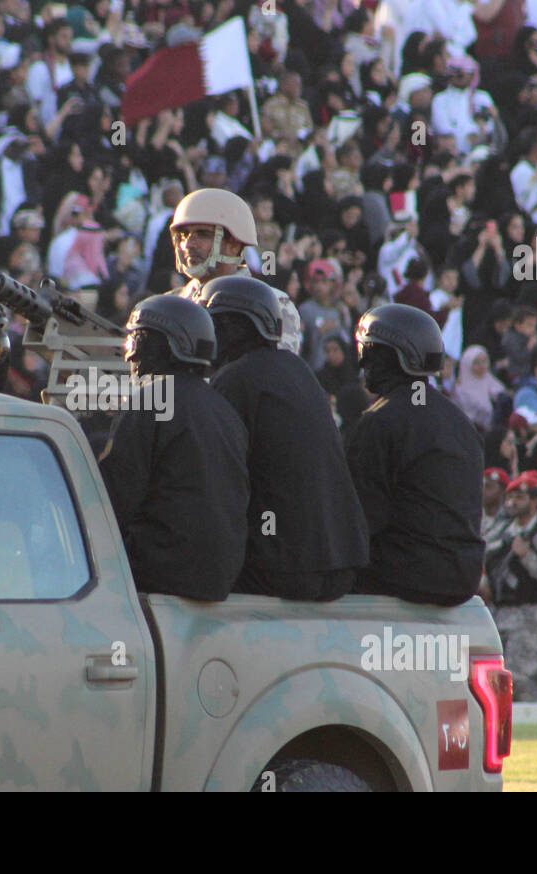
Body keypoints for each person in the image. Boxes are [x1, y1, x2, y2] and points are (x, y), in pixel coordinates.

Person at [202, 275, 369, 601]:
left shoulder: (234, 380)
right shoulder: (298, 369)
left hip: (286, 569)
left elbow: (216, 483)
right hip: (343, 566)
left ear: (233, 327)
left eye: (214, 326)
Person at [95, 294, 249, 601]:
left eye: (136, 340)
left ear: (166, 344)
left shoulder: (152, 398)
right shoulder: (222, 407)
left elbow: (112, 500)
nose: (129, 355)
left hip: (162, 573)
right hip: (219, 578)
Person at [345, 303, 484, 605]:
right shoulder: (459, 420)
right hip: (461, 579)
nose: (363, 363)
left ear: (396, 357)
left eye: (370, 352)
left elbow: (358, 520)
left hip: (403, 576)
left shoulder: (380, 421)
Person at [166, 187, 303, 355]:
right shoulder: (168, 303)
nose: (189, 245)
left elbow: (274, 374)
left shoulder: (273, 304)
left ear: (234, 243)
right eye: (183, 235)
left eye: (203, 234)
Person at [485, 471, 537, 701]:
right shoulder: (501, 529)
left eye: (520, 497)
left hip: (531, 613)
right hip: (502, 613)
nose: (512, 503)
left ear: (535, 501)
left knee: (521, 679)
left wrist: (527, 556)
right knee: (498, 678)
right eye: (510, 497)